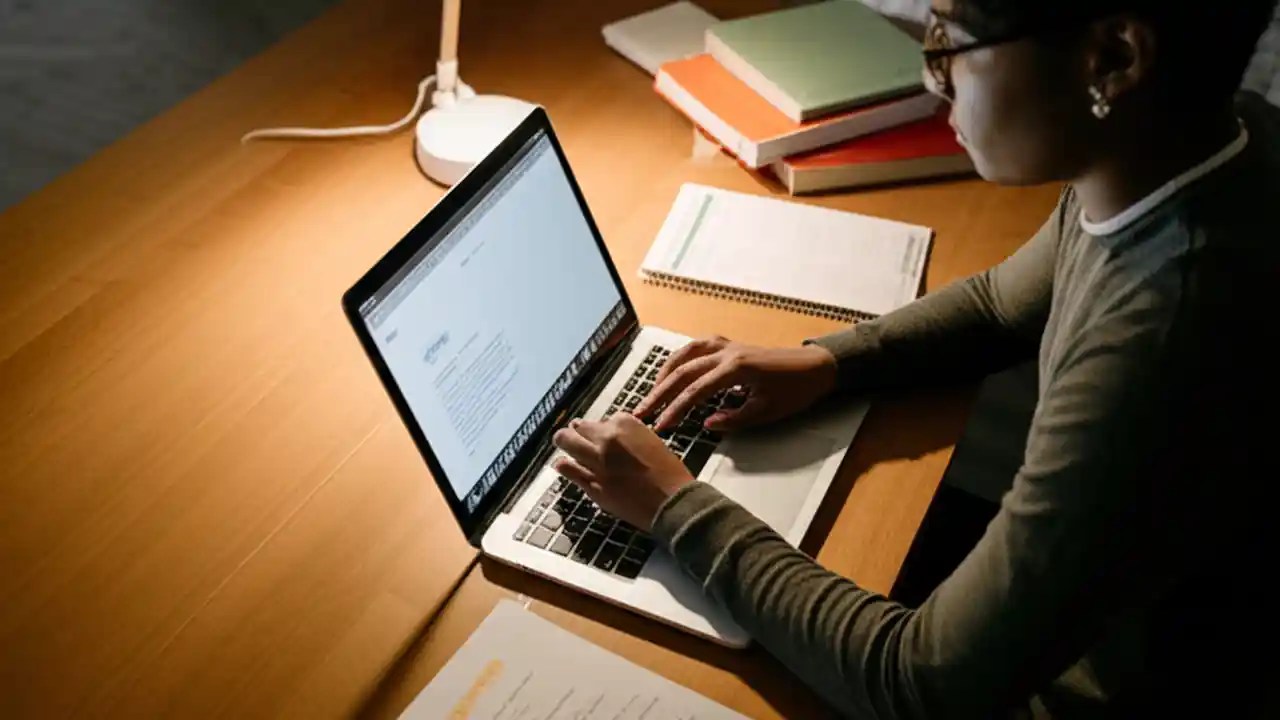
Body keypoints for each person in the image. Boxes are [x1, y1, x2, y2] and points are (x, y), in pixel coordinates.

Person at [551, 0, 1280, 717]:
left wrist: (676, 508)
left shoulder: (1161, 340)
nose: (934, 76)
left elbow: (920, 684)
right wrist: (829, 362)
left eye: (950, 37)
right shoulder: (1194, 145)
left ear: (1114, 59)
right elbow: (1000, 304)